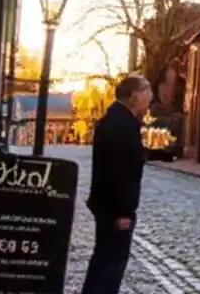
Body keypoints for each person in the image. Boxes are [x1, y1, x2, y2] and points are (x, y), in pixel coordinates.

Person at [81, 75, 172, 294]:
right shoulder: (121, 125)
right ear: (134, 96)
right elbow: (119, 171)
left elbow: (130, 157)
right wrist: (122, 213)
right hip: (115, 210)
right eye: (147, 92)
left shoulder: (119, 121)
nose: (150, 98)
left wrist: (162, 155)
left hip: (107, 206)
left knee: (103, 261)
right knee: (110, 266)